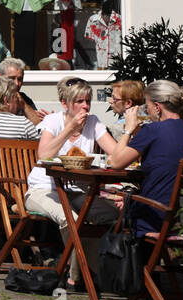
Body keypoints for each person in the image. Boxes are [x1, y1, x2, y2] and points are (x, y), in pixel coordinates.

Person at [25, 78, 121, 288]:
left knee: (115, 214)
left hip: (78, 190)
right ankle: (78, 277)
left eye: (87, 100)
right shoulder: (53, 122)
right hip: (44, 189)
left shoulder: (93, 122)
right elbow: (43, 156)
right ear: (64, 103)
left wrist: (130, 130)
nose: (85, 106)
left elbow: (115, 154)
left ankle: (94, 271)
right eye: (79, 101)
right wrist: (69, 129)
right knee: (72, 219)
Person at [108, 80, 183, 238]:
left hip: (156, 218)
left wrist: (129, 129)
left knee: (117, 218)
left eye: (147, 107)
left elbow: (116, 162)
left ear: (157, 107)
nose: (147, 111)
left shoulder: (152, 130)